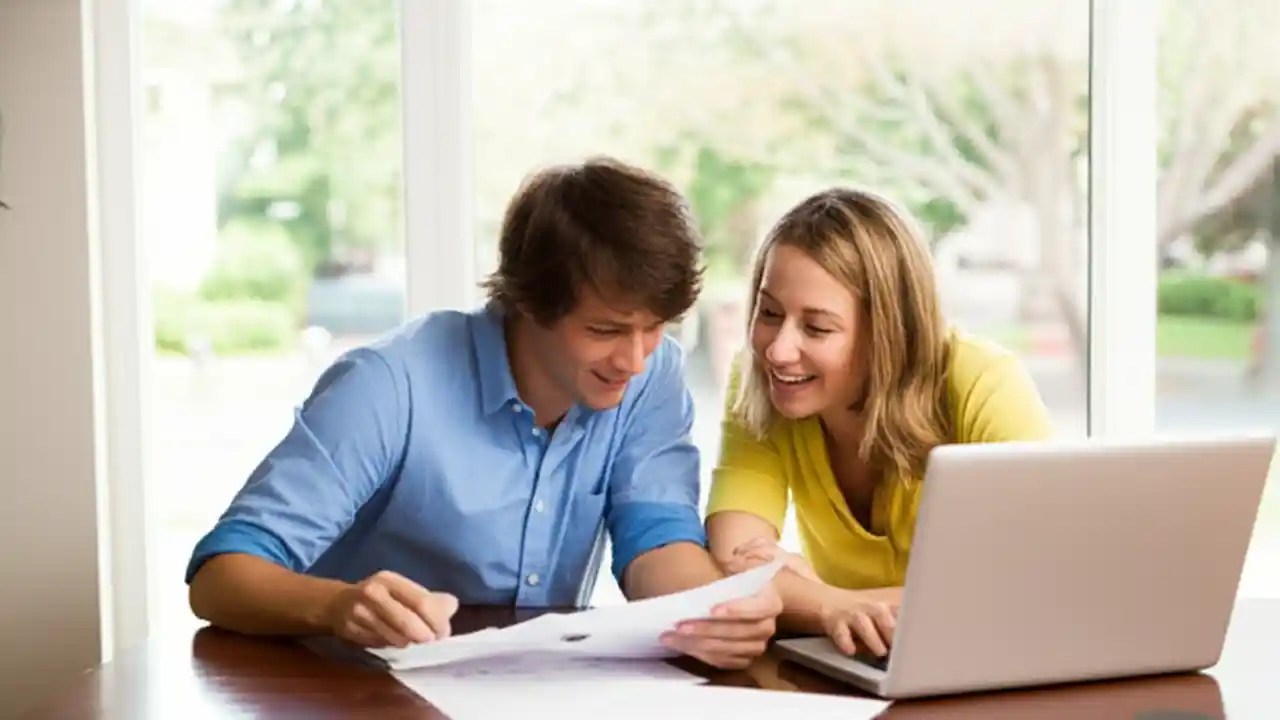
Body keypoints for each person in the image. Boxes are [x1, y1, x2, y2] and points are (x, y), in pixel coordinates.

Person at [186, 157, 782, 670]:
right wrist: (339, 606)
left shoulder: (653, 376)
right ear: (527, 301)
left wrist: (712, 610)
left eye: (656, 327)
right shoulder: (390, 385)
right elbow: (220, 578)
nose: (633, 357)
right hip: (347, 690)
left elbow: (655, 540)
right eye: (605, 330)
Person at [705, 187, 1053, 659]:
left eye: (817, 327)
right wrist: (828, 608)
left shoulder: (983, 383)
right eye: (769, 313)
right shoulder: (761, 385)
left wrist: (819, 598)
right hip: (858, 661)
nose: (777, 350)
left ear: (887, 333)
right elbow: (733, 564)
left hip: (991, 662)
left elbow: (1034, 580)